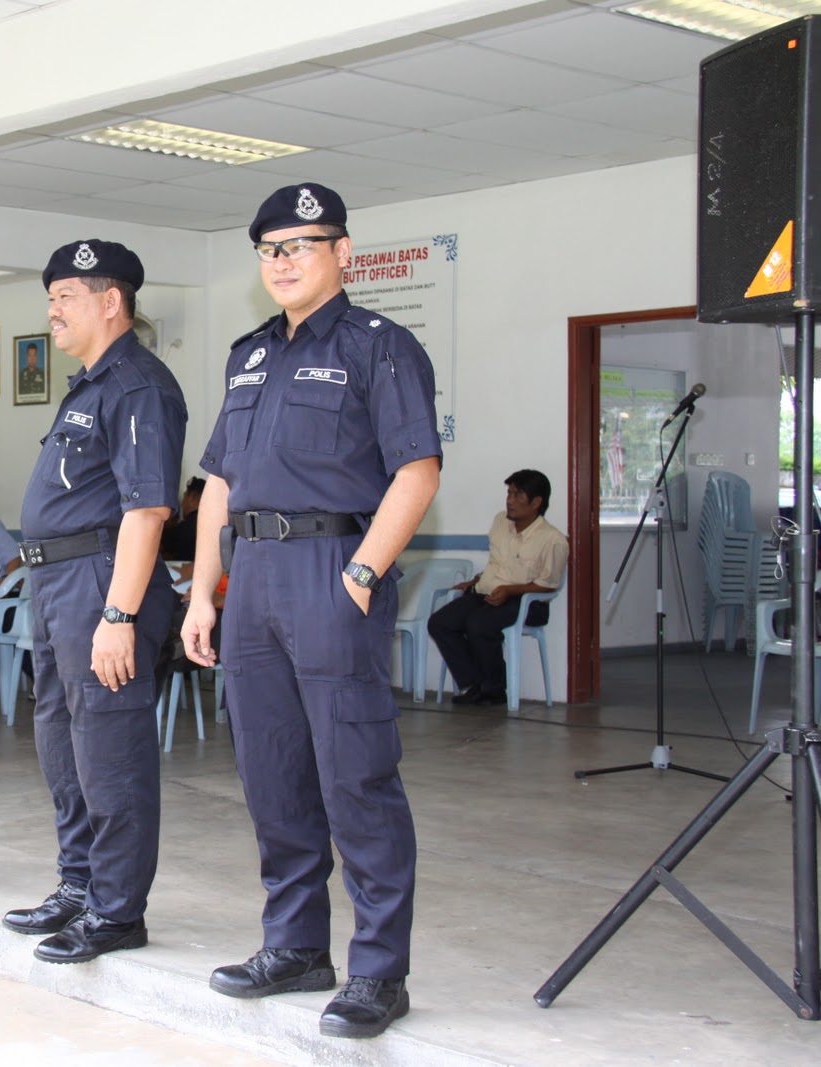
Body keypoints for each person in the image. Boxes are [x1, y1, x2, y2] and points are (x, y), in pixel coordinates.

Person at [181, 183, 441, 1039]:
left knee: (354, 772)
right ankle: (294, 946)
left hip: (332, 567)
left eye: (302, 244)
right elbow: (218, 482)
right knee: (272, 772)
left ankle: (378, 968)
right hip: (250, 576)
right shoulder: (247, 355)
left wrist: (363, 570)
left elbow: (416, 469)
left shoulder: (381, 346)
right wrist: (203, 593)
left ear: (344, 253)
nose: (284, 260)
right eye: (271, 248)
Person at [2, 239, 186, 964]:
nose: (52, 309)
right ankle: (79, 884)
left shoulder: (138, 384)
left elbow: (146, 509)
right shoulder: (89, 384)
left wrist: (119, 614)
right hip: (57, 584)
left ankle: (116, 908)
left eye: (66, 296)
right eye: (50, 297)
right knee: (62, 743)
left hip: (99, 581)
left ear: (112, 302)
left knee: (110, 748)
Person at [427, 470, 567, 706]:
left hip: (527, 602)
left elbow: (548, 585)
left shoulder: (553, 540)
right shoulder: (500, 521)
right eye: (509, 493)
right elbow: (501, 564)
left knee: (479, 624)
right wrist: (474, 582)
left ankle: (494, 690)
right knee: (441, 622)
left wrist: (510, 591)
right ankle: (474, 684)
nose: (509, 500)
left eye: (517, 495)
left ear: (536, 502)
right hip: (487, 594)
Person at [160, 477, 205, 561]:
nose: (182, 503)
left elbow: (163, 544)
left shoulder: (191, 525)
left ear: (192, 497)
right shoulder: (206, 522)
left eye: (185, 497)